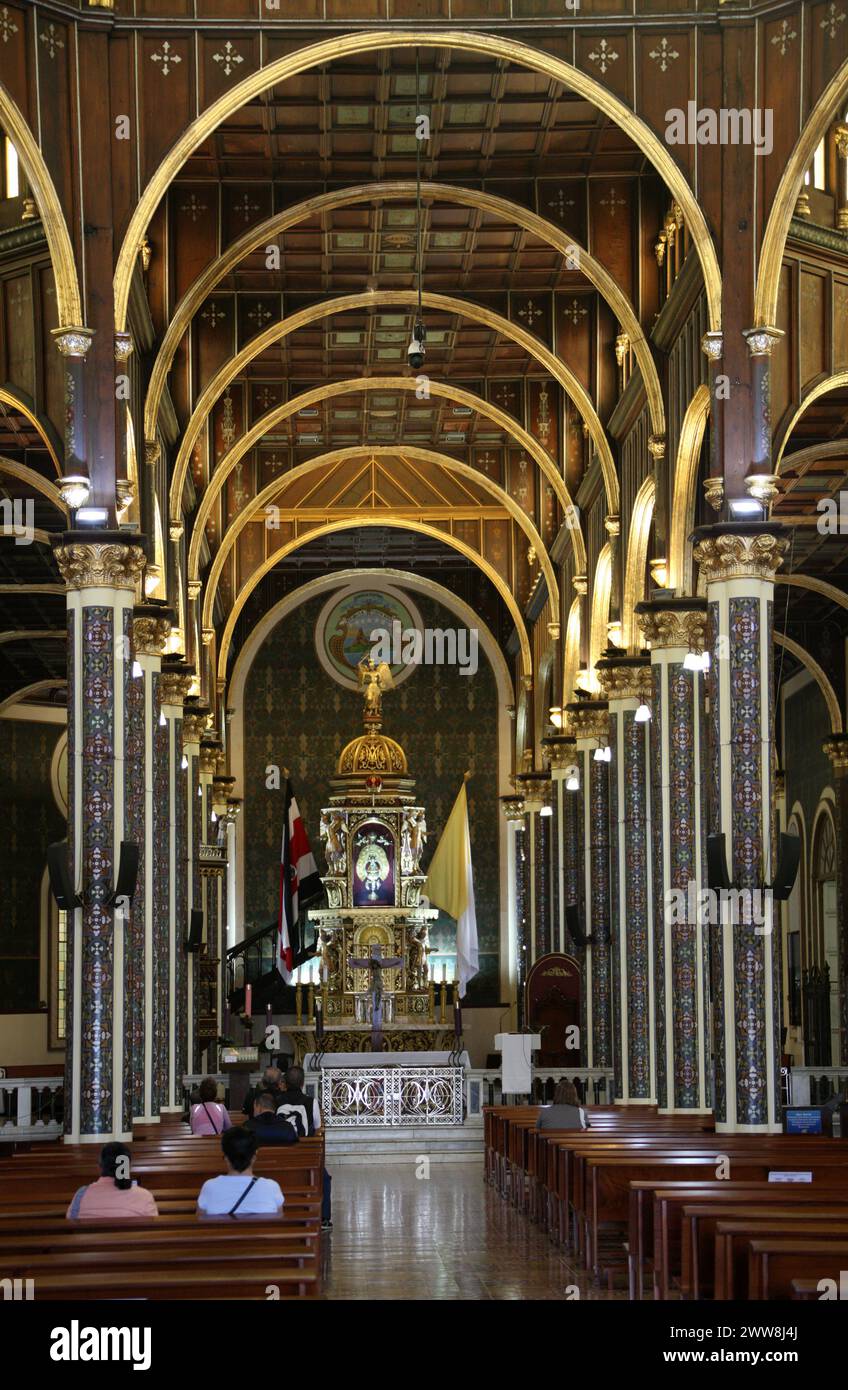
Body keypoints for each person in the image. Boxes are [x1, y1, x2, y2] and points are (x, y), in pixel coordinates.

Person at [279, 1065, 332, 1231]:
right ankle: (324, 1219)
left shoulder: (276, 1101)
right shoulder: (311, 1102)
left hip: (280, 1153)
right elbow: (317, 1128)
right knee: (324, 1178)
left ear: (285, 1083)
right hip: (304, 1153)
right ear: (303, 1084)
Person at [196, 1126, 284, 1217]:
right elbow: (279, 1219)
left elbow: (200, 1220)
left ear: (226, 1157)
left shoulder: (210, 1187)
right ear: (254, 1157)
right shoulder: (272, 1187)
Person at [66, 1142, 159, 1220]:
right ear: (127, 1167)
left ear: (100, 1166)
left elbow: (70, 1224)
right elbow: (153, 1229)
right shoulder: (144, 1196)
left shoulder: (81, 1195)